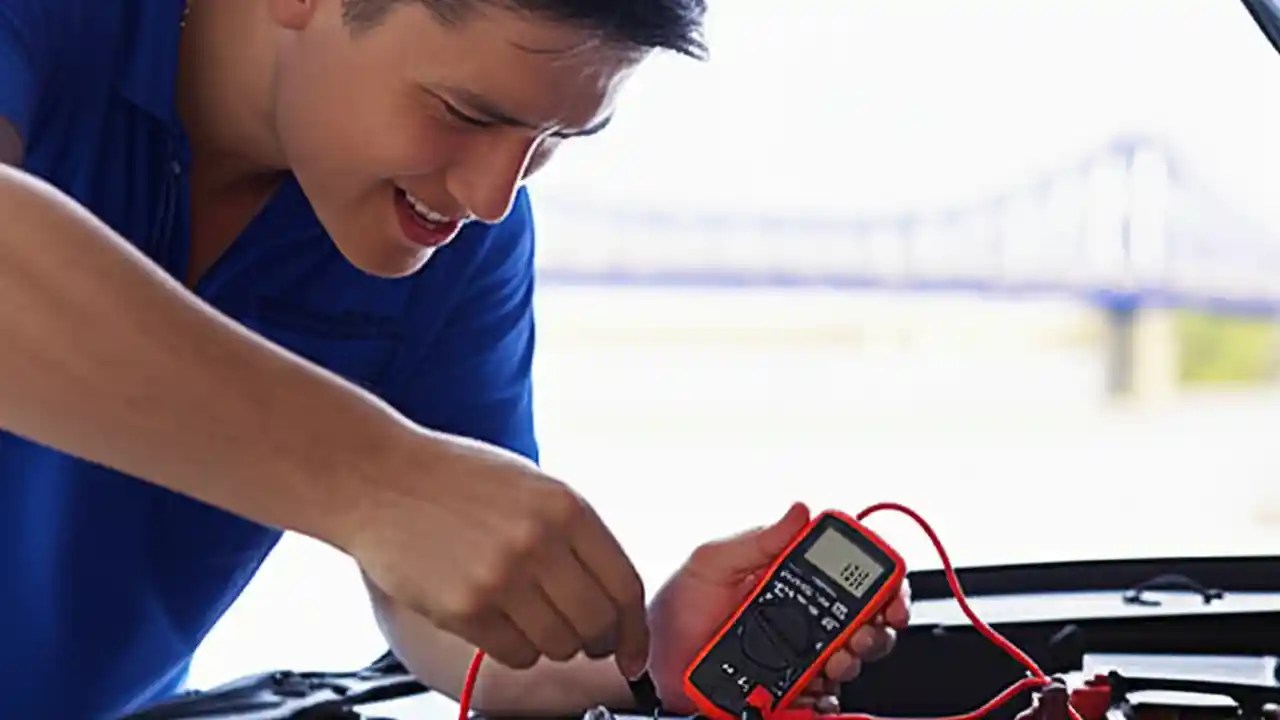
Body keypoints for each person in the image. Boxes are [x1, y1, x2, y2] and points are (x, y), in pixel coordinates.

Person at [0, 0, 909, 716]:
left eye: (552, 142)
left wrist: (647, 655)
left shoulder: (457, 242)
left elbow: (445, 599)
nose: (490, 195)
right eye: (466, 113)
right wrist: (380, 482)